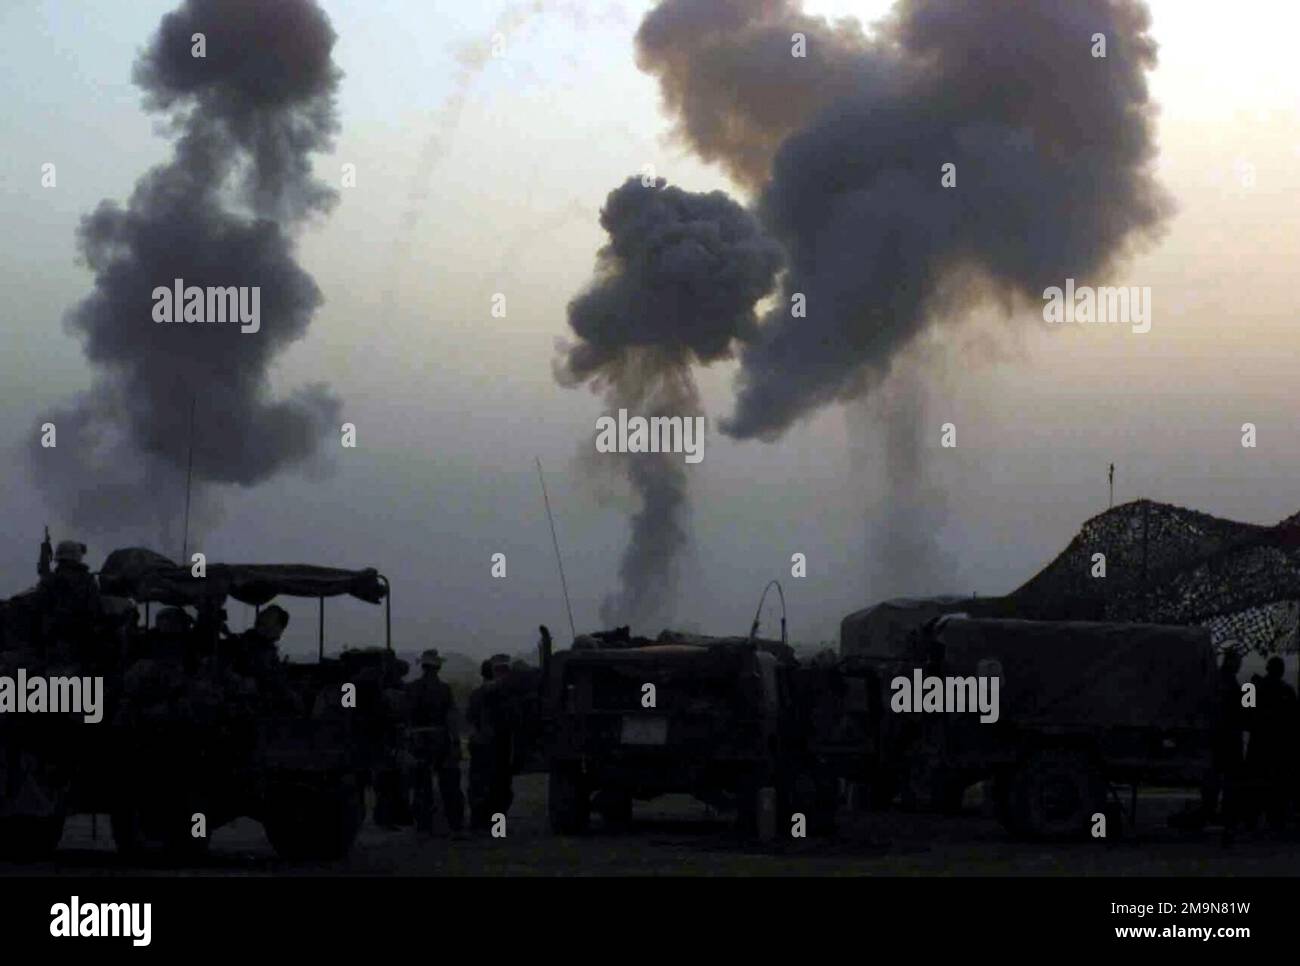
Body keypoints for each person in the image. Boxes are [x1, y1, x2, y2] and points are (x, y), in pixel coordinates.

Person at [404, 649, 465, 834]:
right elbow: (451, 718)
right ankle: (455, 824)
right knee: (449, 785)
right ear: (438, 668)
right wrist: (455, 742)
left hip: (419, 740)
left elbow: (406, 716)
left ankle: (424, 825)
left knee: (422, 785)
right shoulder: (444, 689)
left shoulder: (412, 688)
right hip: (440, 740)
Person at [1246, 656, 1296, 832]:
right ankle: (1275, 819)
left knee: (1255, 784)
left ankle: (1251, 819)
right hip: (1279, 746)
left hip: (1258, 744)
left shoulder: (1251, 689)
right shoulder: (1287, 691)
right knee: (1277, 786)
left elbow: (1245, 716)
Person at [36, 539, 103, 662]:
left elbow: (39, 607)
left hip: (54, 643)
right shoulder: (87, 581)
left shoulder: (50, 580)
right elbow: (95, 610)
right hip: (82, 642)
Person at [1201, 648, 1244, 830]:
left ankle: (1211, 811)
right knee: (1227, 779)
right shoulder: (1231, 684)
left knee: (1215, 778)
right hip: (1228, 738)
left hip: (1218, 736)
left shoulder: (1216, 681)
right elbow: (1243, 711)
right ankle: (1224, 813)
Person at [466, 658, 497, 830]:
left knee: (477, 784)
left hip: (479, 743)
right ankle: (497, 828)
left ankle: (477, 824)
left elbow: (470, 718)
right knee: (497, 787)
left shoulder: (476, 694)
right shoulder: (500, 692)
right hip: (496, 744)